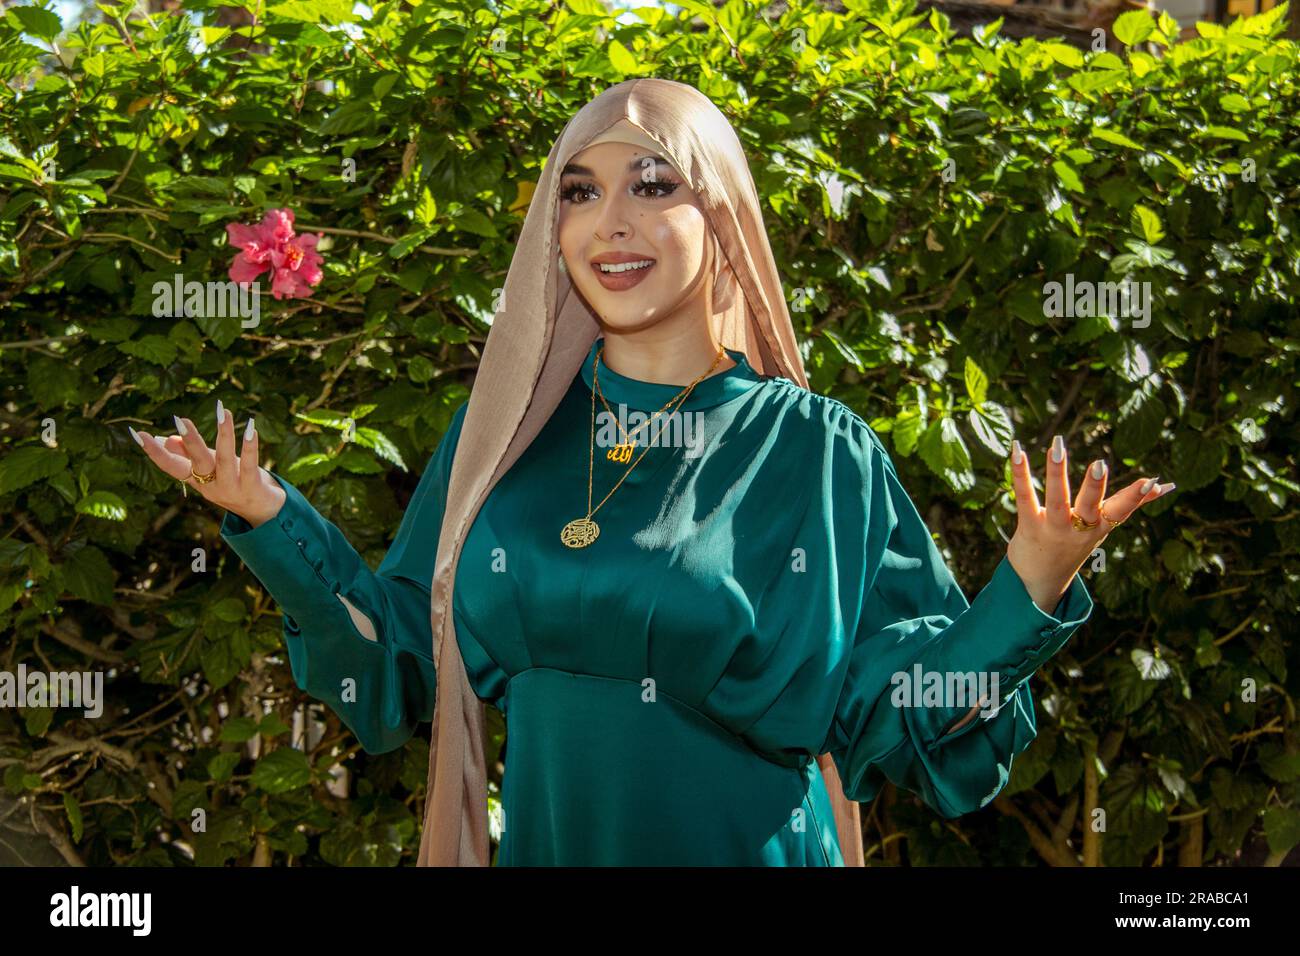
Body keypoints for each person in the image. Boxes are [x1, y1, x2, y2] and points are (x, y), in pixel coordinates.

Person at [128, 78, 1175, 866]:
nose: (609, 221)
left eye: (653, 184)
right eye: (578, 192)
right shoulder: (501, 439)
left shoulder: (815, 451)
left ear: (720, 218)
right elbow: (400, 665)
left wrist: (1029, 580)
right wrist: (268, 517)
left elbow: (902, 722)